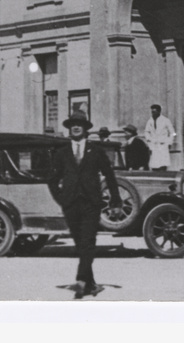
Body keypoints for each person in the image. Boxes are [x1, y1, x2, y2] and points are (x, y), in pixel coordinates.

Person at [49, 115, 122, 299]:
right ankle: (91, 284)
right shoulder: (62, 152)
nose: (75, 127)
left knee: (88, 241)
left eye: (79, 125)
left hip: (91, 203)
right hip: (71, 204)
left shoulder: (96, 150)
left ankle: (81, 280)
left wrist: (115, 199)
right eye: (72, 125)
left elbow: (109, 175)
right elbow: (52, 180)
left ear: (85, 128)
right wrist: (62, 199)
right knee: (81, 244)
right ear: (68, 129)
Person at [143, 104, 175, 170]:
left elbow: (173, 133)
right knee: (154, 166)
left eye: (154, 112)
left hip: (163, 146)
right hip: (154, 146)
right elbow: (146, 132)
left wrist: (169, 142)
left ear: (159, 112)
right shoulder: (150, 121)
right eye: (152, 112)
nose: (153, 114)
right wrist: (149, 139)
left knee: (162, 166)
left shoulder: (166, 120)